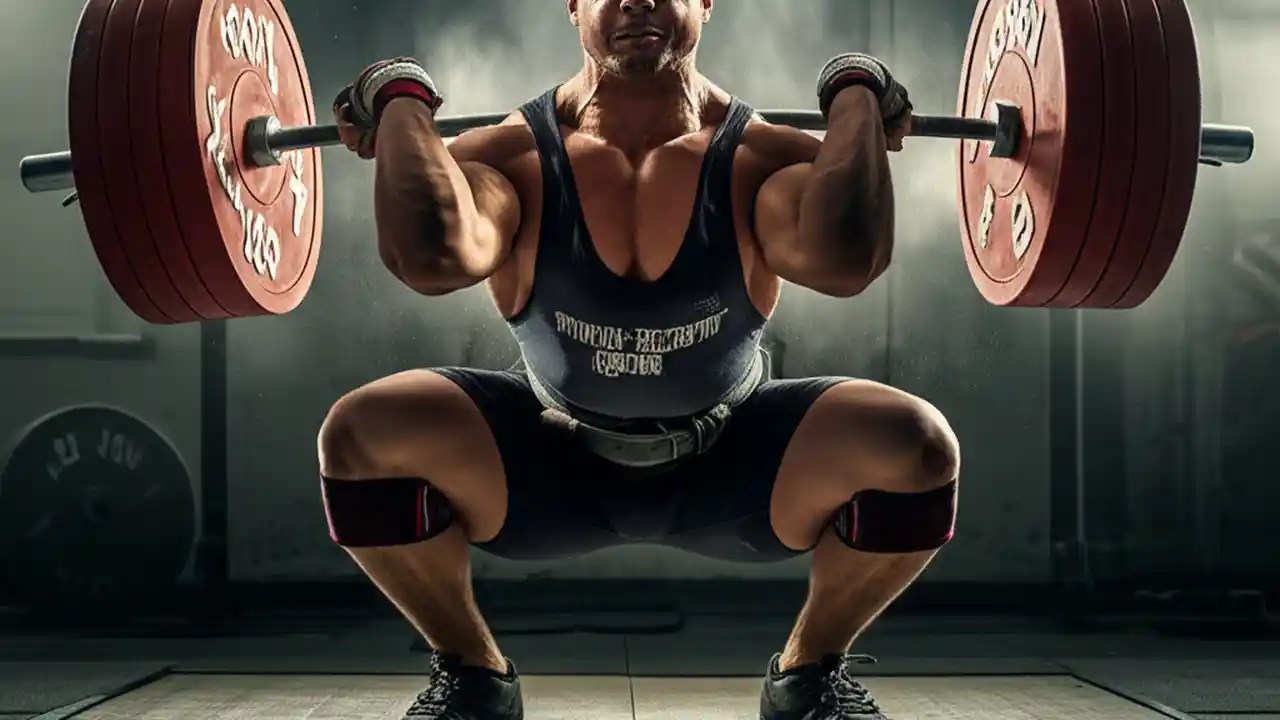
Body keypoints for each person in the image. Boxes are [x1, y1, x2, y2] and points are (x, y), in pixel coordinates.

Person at [321, 1, 960, 718]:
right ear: (573, 5)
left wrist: (855, 93)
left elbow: (846, 259)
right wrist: (402, 94)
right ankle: (474, 678)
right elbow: (431, 256)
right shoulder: (508, 158)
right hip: (547, 461)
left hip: (737, 465)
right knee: (360, 434)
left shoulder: (760, 158)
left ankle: (807, 675)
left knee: (917, 445)